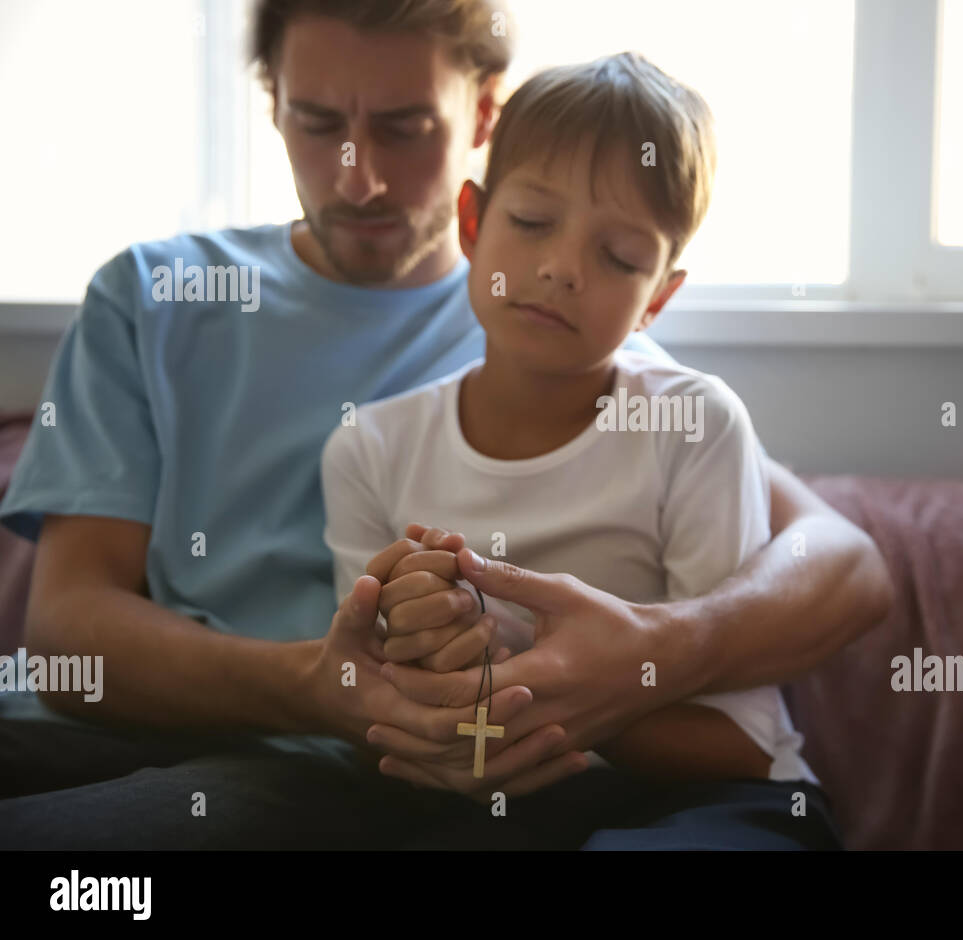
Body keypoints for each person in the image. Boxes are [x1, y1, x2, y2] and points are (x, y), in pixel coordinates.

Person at [0, 0, 891, 849]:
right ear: (271, 103)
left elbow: (844, 565)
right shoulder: (155, 296)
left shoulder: (553, 335)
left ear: (483, 113)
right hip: (155, 737)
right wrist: (320, 684)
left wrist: (644, 656)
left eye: (405, 126)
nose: (362, 178)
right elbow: (69, 632)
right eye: (317, 122)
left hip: (324, 778)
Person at [323, 51, 818, 795]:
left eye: (619, 257)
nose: (562, 268)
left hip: (689, 802)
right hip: (460, 803)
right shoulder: (371, 448)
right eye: (530, 222)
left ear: (658, 298)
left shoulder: (693, 426)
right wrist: (422, 656)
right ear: (472, 222)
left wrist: (519, 691)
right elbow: (369, 718)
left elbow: (739, 745)